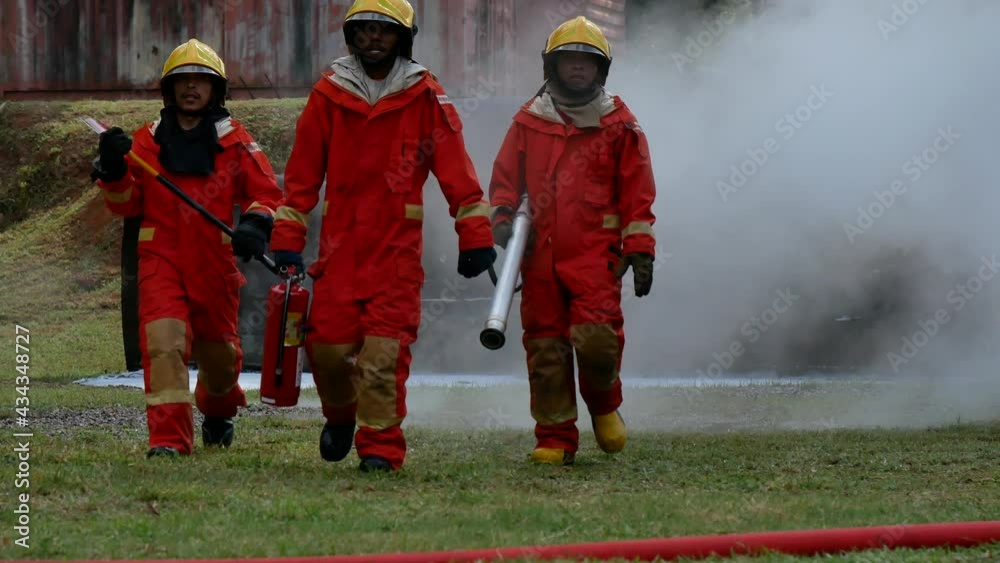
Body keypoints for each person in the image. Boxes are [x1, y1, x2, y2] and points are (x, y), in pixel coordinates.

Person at [269, 0, 496, 473]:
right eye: (365, 29)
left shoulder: (425, 96)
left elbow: (458, 174)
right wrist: (287, 237)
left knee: (383, 357)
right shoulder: (328, 94)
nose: (374, 38)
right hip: (338, 257)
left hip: (395, 256)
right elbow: (303, 176)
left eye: (384, 31)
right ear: (351, 36)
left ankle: (380, 449)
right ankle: (340, 415)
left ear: (403, 39)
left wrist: (474, 234)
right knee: (326, 351)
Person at [91, 38, 284, 458]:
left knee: (220, 356)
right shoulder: (145, 142)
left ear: (217, 90)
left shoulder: (236, 141)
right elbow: (127, 204)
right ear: (169, 90)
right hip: (160, 257)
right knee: (163, 342)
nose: (191, 87)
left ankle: (218, 409)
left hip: (215, 264)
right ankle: (168, 441)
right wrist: (111, 169)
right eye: (183, 80)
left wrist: (254, 224)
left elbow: (267, 194)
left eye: (201, 80)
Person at [488, 16, 657, 466]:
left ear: (601, 71)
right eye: (569, 61)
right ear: (552, 66)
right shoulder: (529, 120)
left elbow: (638, 193)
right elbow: (505, 179)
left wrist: (640, 249)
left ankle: (603, 406)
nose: (578, 68)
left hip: (595, 256)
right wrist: (501, 220)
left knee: (597, 340)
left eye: (587, 61)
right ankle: (555, 437)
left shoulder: (620, 124)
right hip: (539, 256)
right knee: (545, 348)